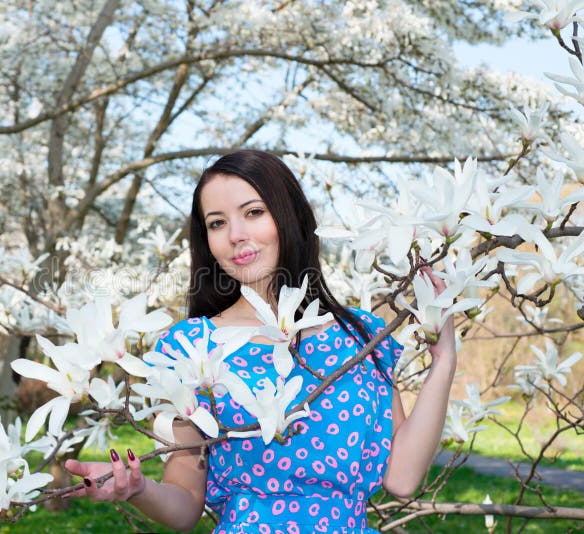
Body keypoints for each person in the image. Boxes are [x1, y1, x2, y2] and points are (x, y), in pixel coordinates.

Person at [64, 150, 456, 533]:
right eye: (217, 223)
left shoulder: (359, 335)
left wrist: (445, 361)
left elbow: (402, 478)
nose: (236, 235)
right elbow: (185, 503)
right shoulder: (188, 348)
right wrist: (138, 488)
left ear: (290, 217)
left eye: (253, 213)